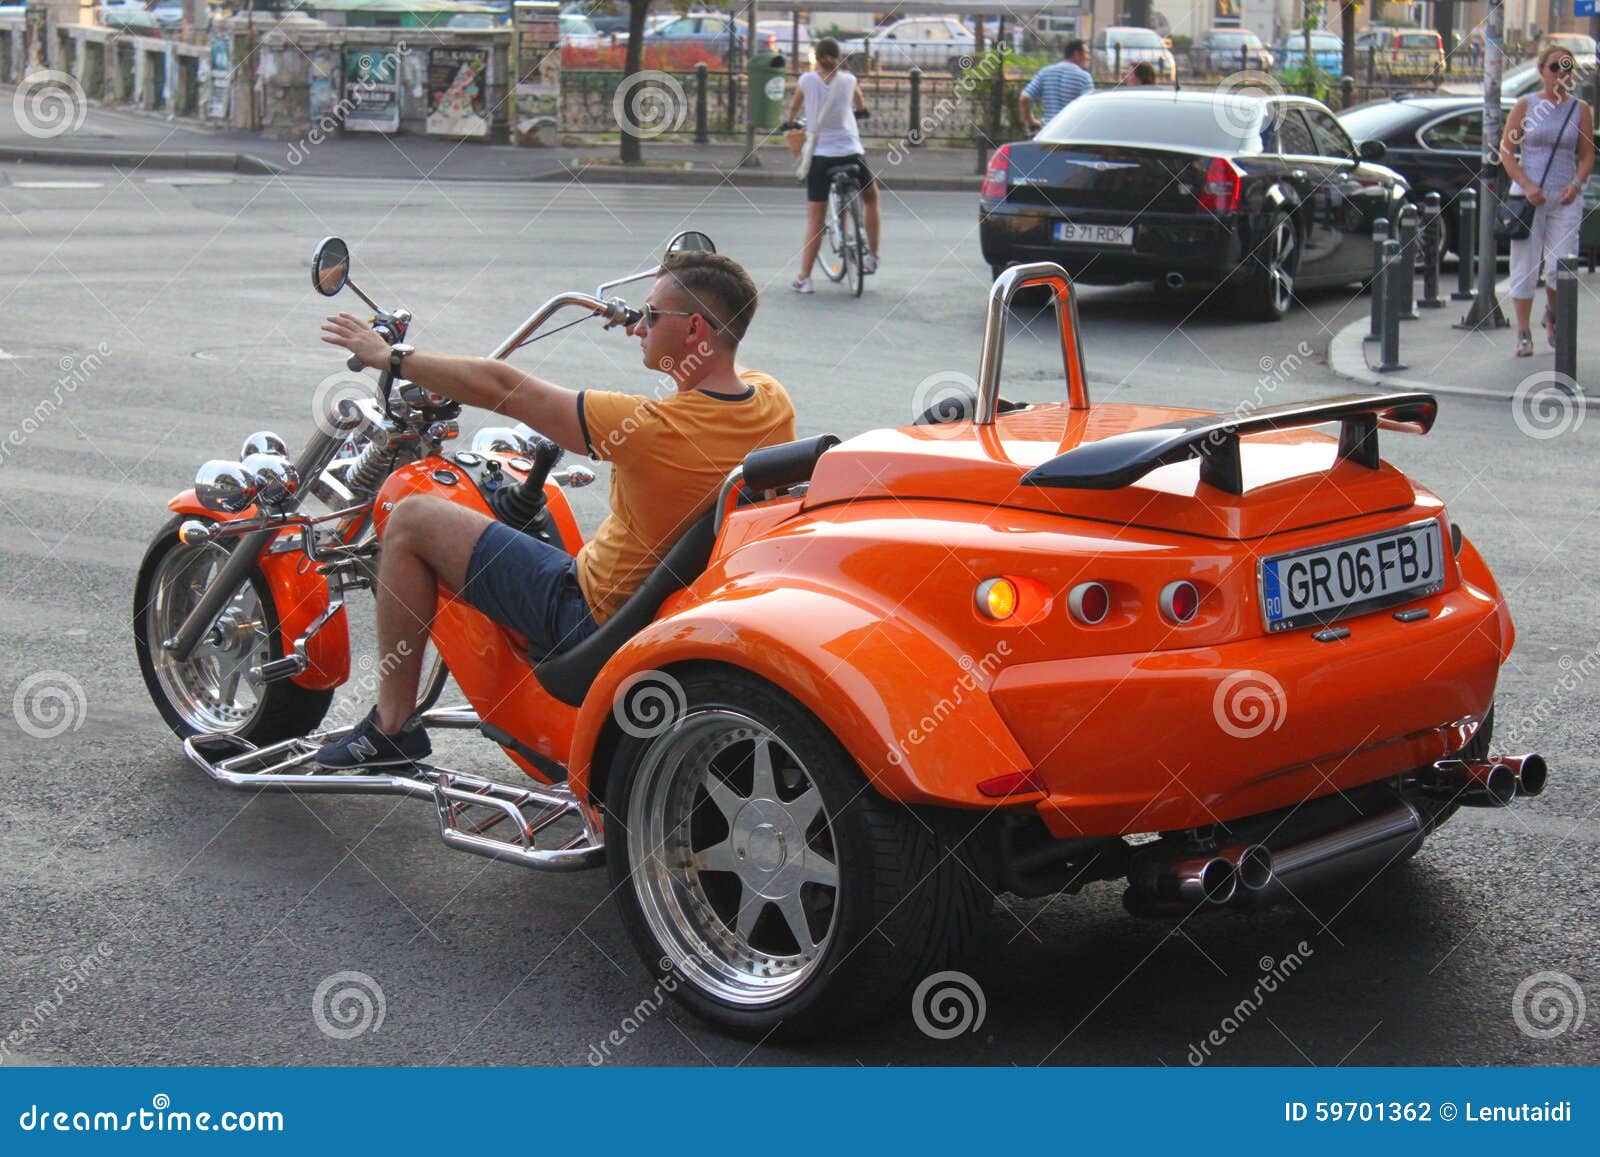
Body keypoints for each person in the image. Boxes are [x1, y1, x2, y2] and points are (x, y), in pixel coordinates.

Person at [312, 252, 797, 770]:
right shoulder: (772, 402)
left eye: (651, 316)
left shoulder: (651, 429)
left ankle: (390, 727)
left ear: (696, 327)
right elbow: (724, 363)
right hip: (667, 608)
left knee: (412, 518)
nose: (639, 327)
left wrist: (390, 357)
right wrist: (655, 326)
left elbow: (504, 389)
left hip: (585, 615)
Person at [1499, 44, 1594, 357]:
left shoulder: (1580, 109)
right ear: (1542, 71)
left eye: (1567, 67)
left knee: (1560, 265)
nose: (1561, 73)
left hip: (1564, 197)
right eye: (1555, 67)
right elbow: (1507, 152)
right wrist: (1527, 185)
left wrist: (1576, 184)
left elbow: (1587, 154)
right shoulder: (1526, 106)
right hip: (1530, 197)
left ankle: (1553, 316)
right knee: (1525, 265)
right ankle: (1523, 331)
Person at [785, 37, 880, 294]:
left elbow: (794, 108)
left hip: (821, 157)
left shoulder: (807, 80)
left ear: (816, 57)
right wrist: (861, 111)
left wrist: (790, 122)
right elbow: (860, 103)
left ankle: (804, 279)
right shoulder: (849, 81)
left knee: (816, 219)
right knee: (871, 199)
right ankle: (872, 257)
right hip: (851, 153)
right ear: (840, 57)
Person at [1019, 37, 1094, 132]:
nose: (1089, 57)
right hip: (1072, 132)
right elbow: (1089, 107)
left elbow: (1024, 98)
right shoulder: (1084, 77)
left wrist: (1031, 121)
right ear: (1076, 54)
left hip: (1048, 131)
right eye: (1086, 53)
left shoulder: (1045, 72)